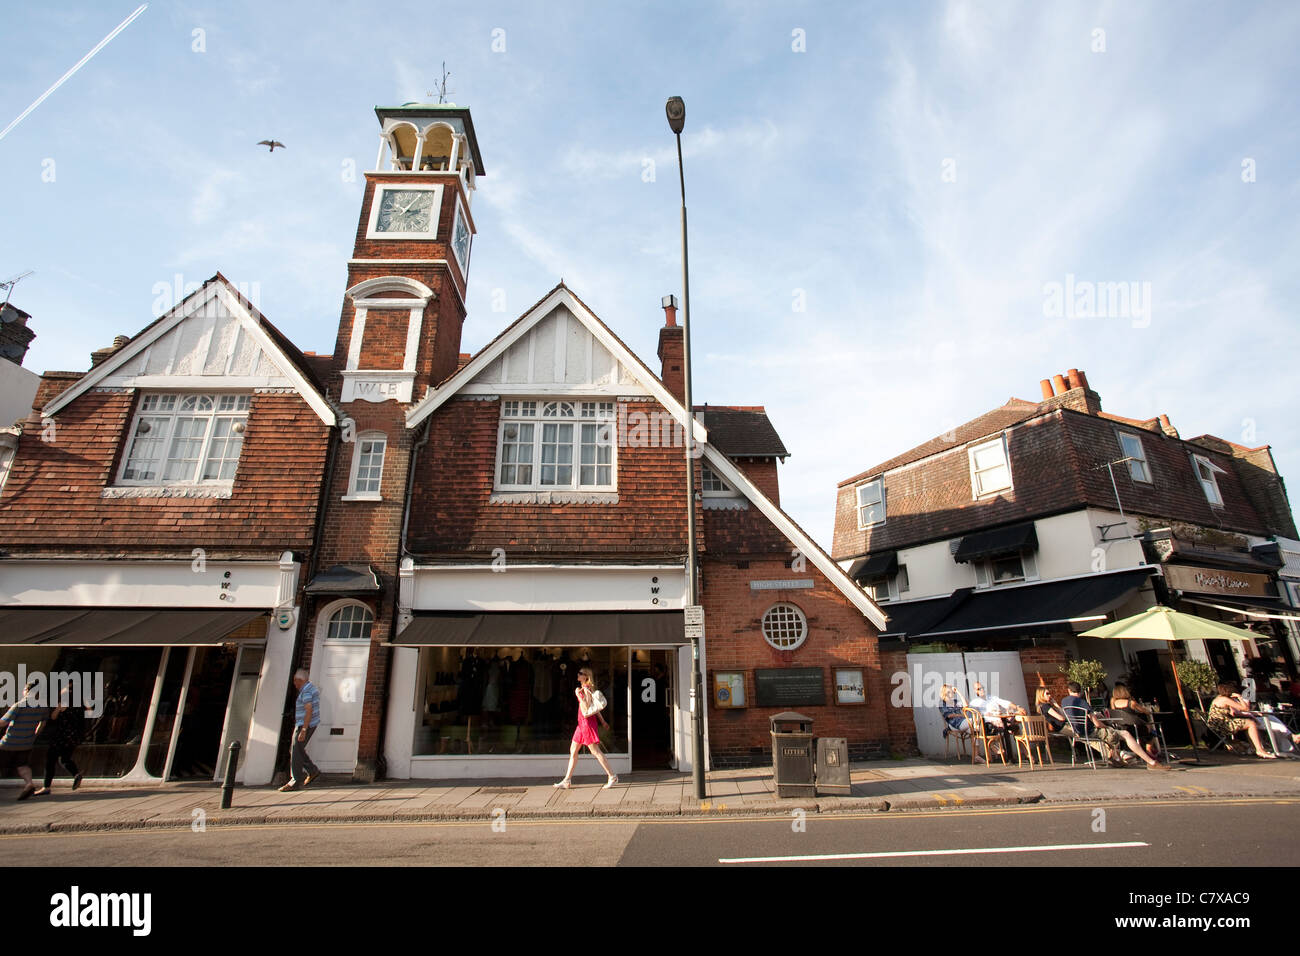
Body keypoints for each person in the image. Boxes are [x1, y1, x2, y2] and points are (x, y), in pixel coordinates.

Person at [1062, 681, 1169, 770]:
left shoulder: (1064, 702)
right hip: (1091, 732)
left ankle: (1116, 759)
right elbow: (1097, 723)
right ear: (1080, 690)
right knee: (1125, 734)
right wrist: (1107, 726)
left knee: (1114, 735)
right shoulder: (1082, 703)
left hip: (1077, 732)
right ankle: (1150, 762)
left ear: (1068, 690)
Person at [553, 667, 617, 790]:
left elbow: (587, 706)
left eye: (580, 673)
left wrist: (578, 694)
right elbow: (594, 708)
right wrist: (603, 721)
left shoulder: (586, 689)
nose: (578, 674)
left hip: (586, 723)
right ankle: (567, 780)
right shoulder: (585, 688)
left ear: (586, 676)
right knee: (573, 750)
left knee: (595, 751)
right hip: (582, 724)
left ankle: (612, 776)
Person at [1208, 681, 1296, 758]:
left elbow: (1232, 712)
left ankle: (1255, 748)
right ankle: (1260, 749)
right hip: (1223, 725)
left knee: (1249, 723)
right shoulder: (1225, 699)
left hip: (1219, 723)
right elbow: (1245, 708)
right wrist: (1239, 697)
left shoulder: (1219, 699)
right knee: (1251, 724)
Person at [0, 681, 51, 800]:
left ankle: (29, 785)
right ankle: (29, 784)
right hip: (26, 743)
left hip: (9, 742)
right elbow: (42, 723)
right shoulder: (42, 706)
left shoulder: (19, 705)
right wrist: (34, 735)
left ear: (27, 690)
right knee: (22, 765)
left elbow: (3, 722)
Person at [34, 685, 86, 796]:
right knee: (65, 759)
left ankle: (46, 786)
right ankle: (76, 774)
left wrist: (57, 708)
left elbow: (53, 717)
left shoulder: (63, 705)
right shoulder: (79, 706)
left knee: (50, 760)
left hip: (61, 737)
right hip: (73, 737)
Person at [280, 669, 323, 791]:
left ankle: (295, 781)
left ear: (300, 680)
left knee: (295, 750)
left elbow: (309, 710)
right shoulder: (310, 688)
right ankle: (312, 770)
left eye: (295, 680)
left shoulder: (306, 691)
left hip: (305, 725)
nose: (294, 683)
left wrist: (304, 729)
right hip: (308, 724)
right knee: (296, 750)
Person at [969, 681, 1024, 755]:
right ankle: (997, 749)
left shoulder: (992, 698)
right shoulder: (975, 702)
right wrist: (989, 714)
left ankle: (1025, 753)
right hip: (989, 724)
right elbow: (975, 714)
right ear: (975, 691)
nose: (981, 690)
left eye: (982, 688)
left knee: (1016, 727)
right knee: (1001, 728)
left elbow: (1005, 702)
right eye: (979, 689)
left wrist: (1017, 707)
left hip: (1001, 720)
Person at [1109, 682, 1160, 759]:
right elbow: (1145, 711)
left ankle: (1147, 750)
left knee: (1147, 726)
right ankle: (1149, 748)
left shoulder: (1114, 702)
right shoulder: (1131, 703)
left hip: (1123, 728)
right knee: (1151, 728)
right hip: (1135, 728)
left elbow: (1115, 713)